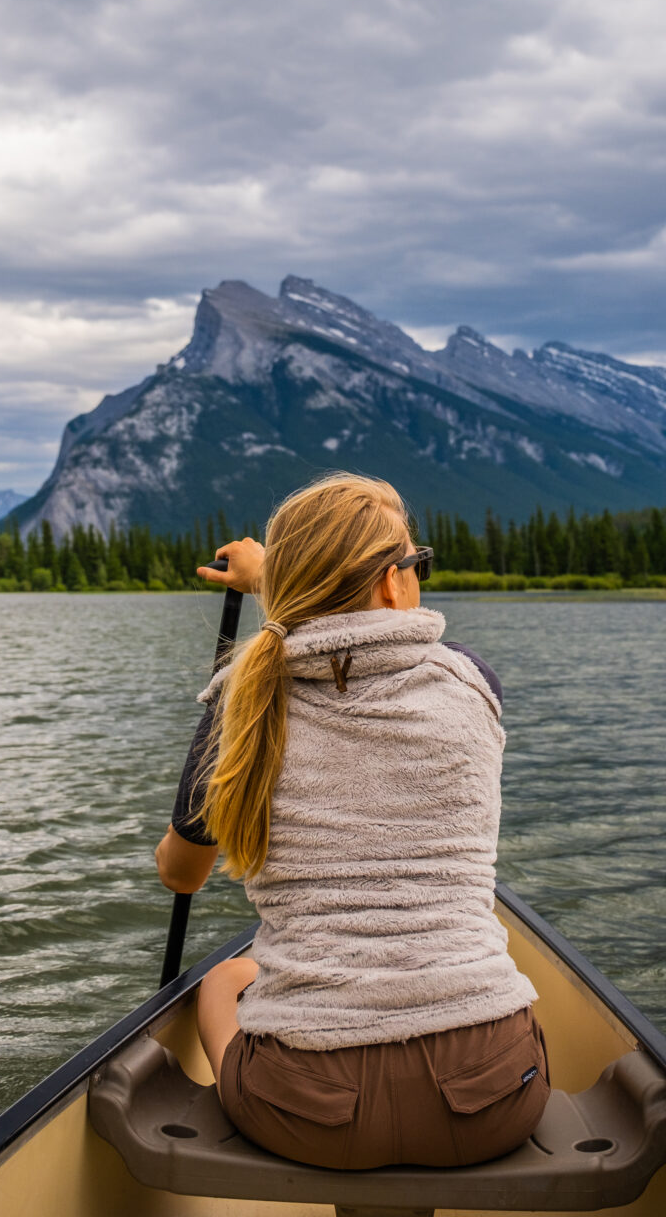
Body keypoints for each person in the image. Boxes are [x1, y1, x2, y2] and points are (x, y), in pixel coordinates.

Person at [154, 472, 549, 1170]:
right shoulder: (472, 682)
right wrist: (273, 581)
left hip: (306, 1111)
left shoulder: (241, 703)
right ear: (393, 583)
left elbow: (181, 875)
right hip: (495, 1094)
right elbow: (364, 645)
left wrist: (270, 584)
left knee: (224, 980)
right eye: (418, 563)